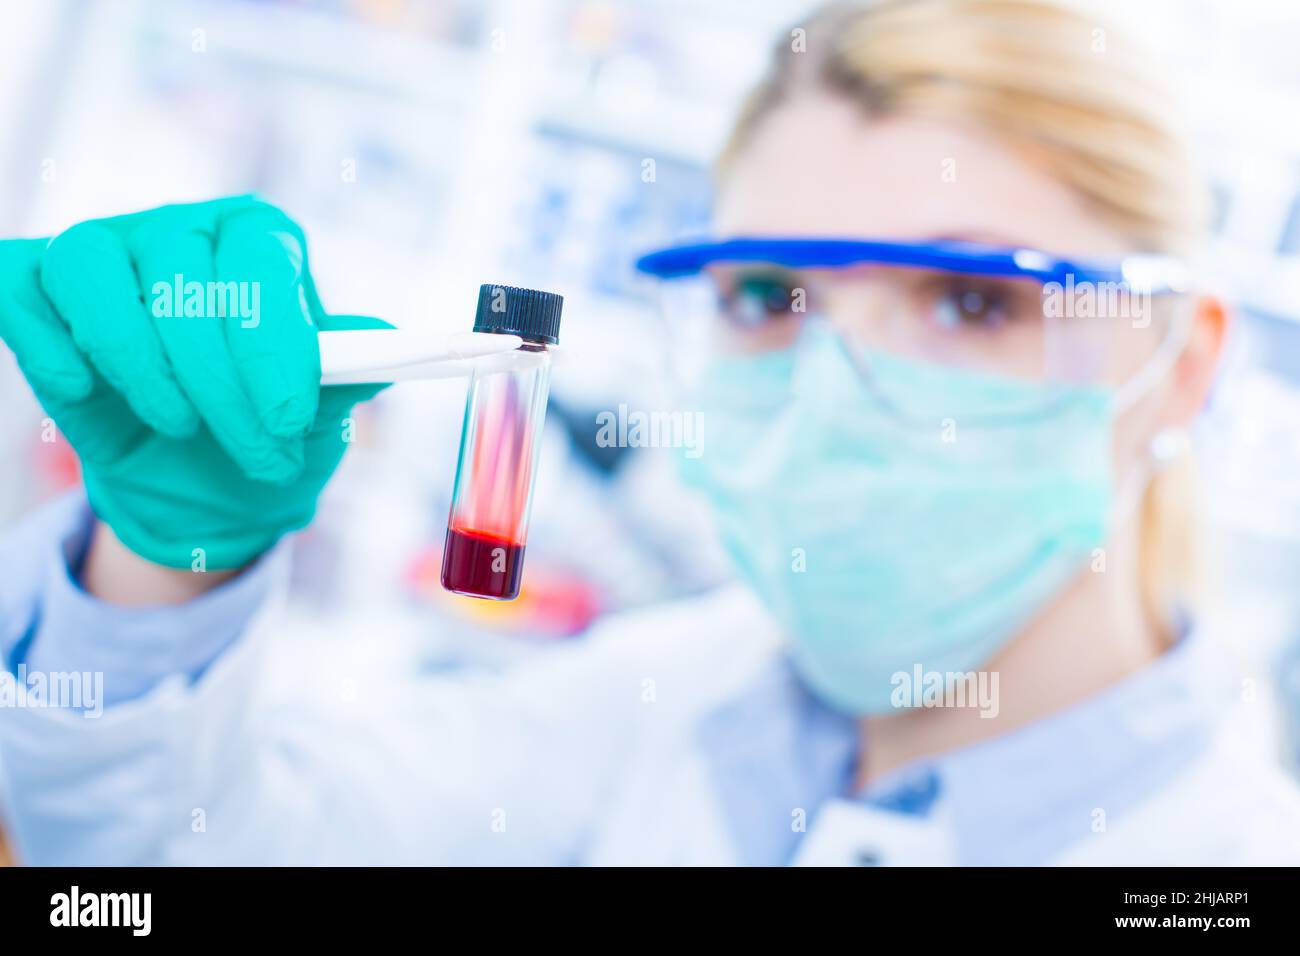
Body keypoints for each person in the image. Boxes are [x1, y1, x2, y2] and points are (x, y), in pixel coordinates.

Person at [1, 0, 1298, 865]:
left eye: (974, 300)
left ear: (1182, 367)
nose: (834, 392)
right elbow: (161, 860)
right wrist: (161, 561)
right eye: (762, 297)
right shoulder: (665, 697)